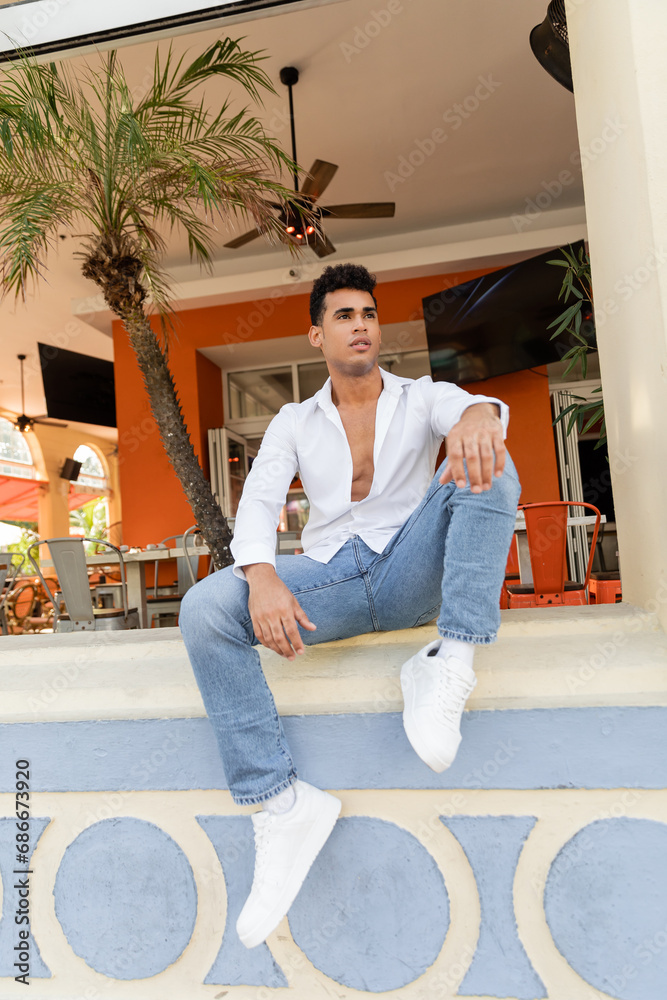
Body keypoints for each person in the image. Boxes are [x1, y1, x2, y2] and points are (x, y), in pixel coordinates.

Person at [179, 262, 521, 950]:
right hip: (329, 582)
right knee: (205, 609)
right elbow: (261, 501)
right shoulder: (292, 420)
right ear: (316, 335)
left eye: (367, 313)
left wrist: (480, 415)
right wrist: (262, 576)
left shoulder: (420, 395)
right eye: (343, 315)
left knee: (488, 460)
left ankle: (449, 662)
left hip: (408, 571)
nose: (359, 324)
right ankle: (281, 804)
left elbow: (467, 411)